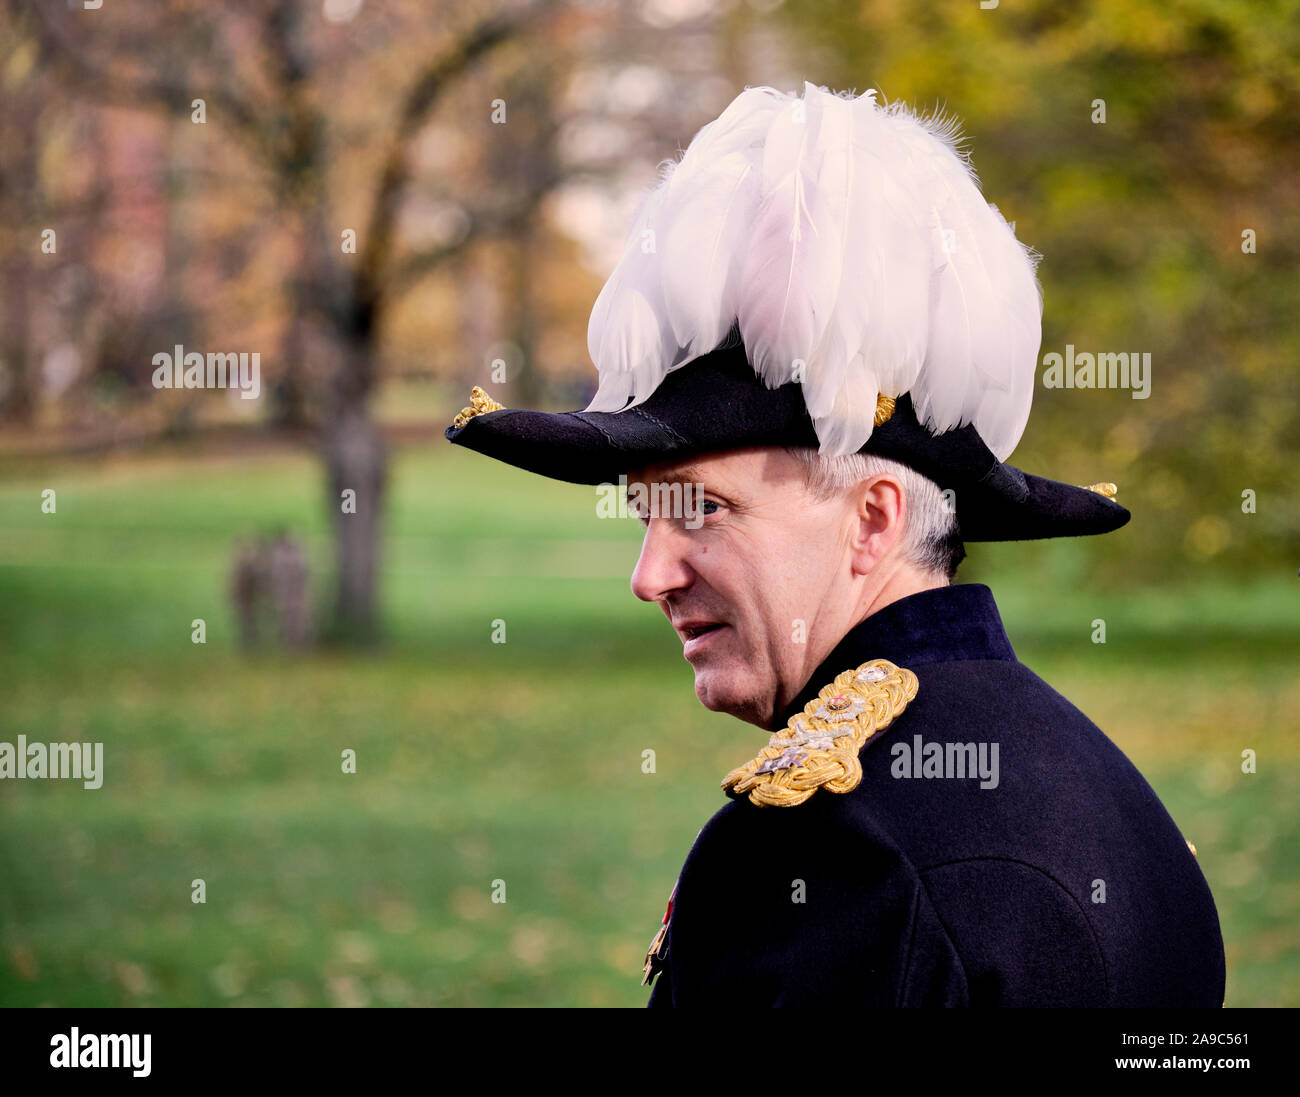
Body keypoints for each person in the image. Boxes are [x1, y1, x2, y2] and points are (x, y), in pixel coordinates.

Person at [445, 83, 1226, 1006]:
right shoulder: (1109, 796)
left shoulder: (830, 857)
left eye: (702, 510)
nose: (649, 575)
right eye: (644, 516)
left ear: (874, 520)